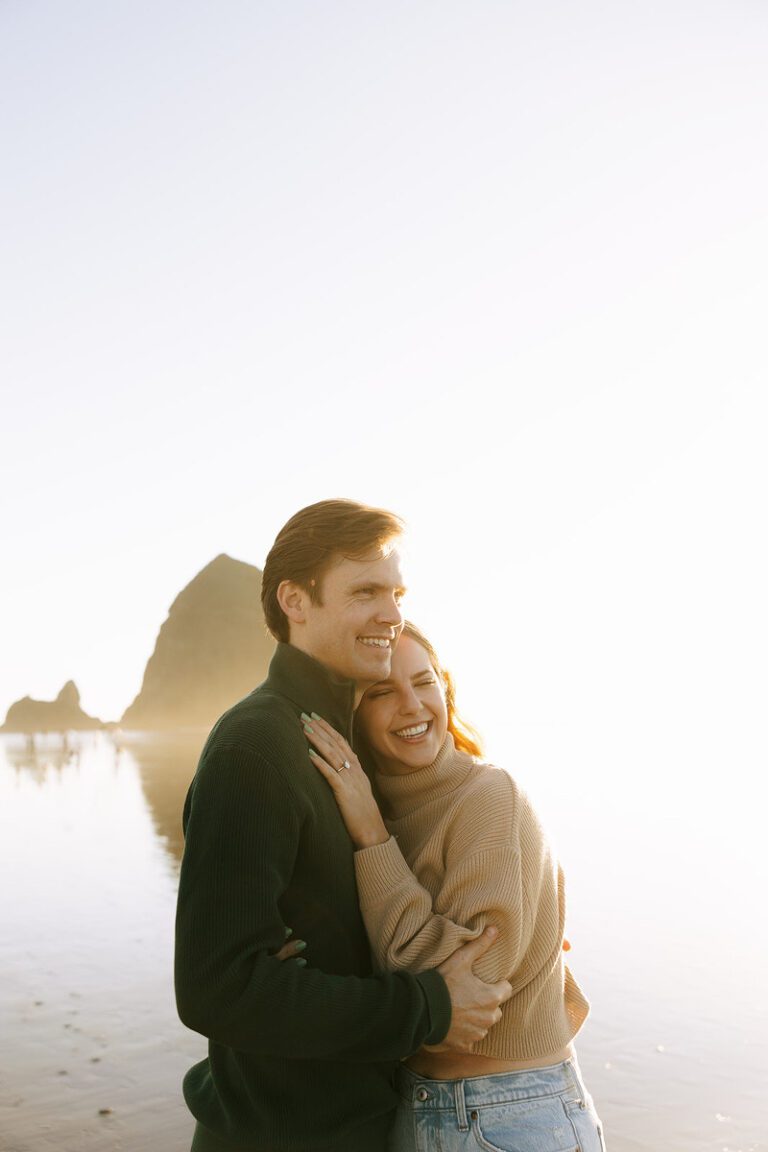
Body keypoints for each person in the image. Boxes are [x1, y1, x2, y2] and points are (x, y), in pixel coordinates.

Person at [174, 500, 513, 1152]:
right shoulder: (257, 747)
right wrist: (427, 1007)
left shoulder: (350, 739)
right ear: (295, 602)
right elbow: (216, 989)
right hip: (278, 1138)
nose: (392, 613)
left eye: (397, 593)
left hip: (367, 1125)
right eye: (365, 592)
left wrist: (518, 908)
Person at [303, 620, 606, 1152]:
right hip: (418, 1107)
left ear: (446, 689)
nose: (412, 704)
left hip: (510, 1113)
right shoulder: (380, 808)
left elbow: (468, 991)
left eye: (424, 682)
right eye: (380, 691)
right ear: (353, 717)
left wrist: (372, 836)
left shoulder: (487, 794)